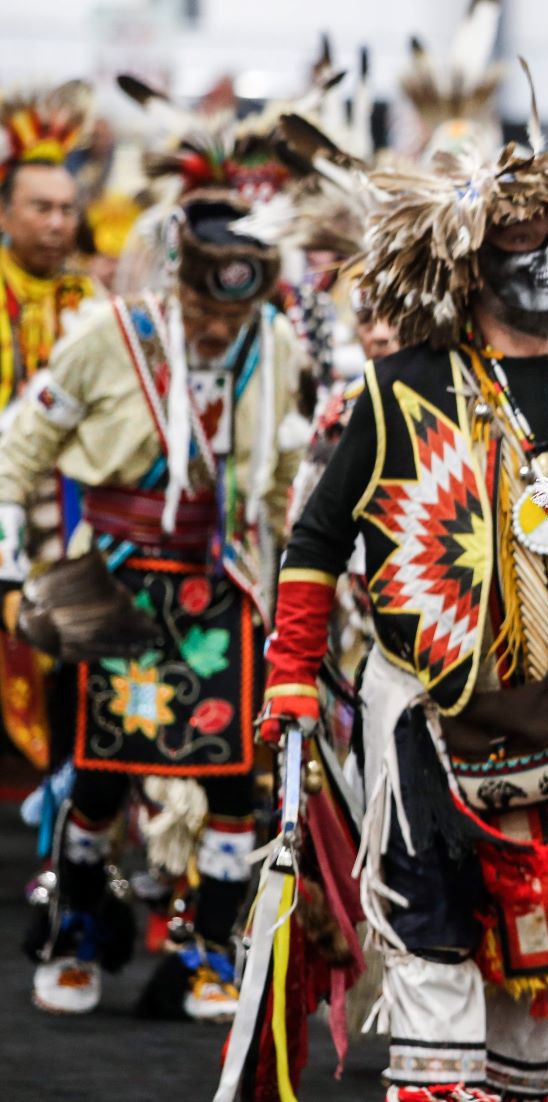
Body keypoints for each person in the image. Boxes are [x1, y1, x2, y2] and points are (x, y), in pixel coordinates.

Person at [258, 133, 548, 1102]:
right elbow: (316, 540)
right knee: (430, 924)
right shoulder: (404, 386)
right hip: (432, 718)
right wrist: (292, 673)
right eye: (525, 241)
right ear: (472, 263)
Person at [8, 189, 305, 1020]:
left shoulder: (272, 342)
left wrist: (299, 573)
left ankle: (212, 952)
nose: (219, 328)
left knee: (232, 778)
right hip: (111, 578)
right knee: (101, 773)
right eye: (206, 311)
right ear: (177, 282)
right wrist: (8, 575)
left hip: (222, 580)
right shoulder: (108, 336)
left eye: (234, 312)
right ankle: (73, 936)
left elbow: (281, 478)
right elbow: (18, 449)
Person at [0, 81, 96, 769]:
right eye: (41, 207)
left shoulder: (91, 303)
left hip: (66, 519)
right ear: (6, 211)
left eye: (66, 208)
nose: (57, 222)